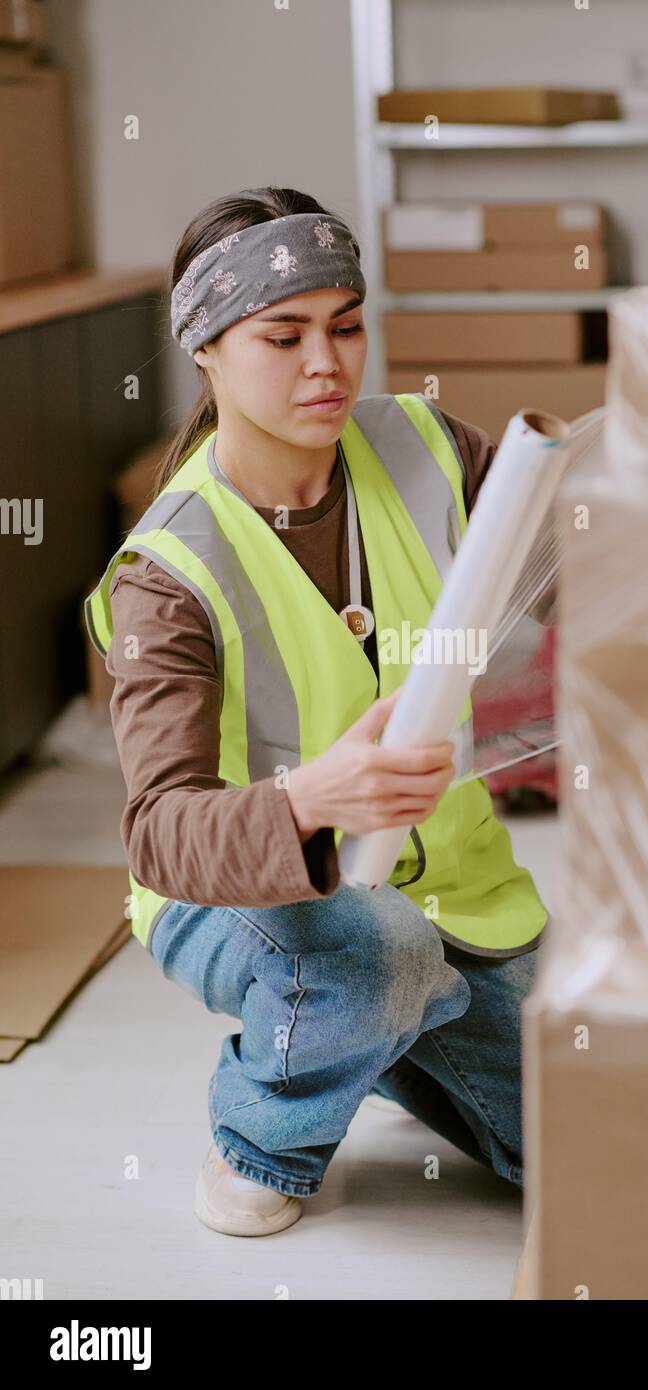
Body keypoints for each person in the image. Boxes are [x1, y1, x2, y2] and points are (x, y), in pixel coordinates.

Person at [84, 186, 552, 1238]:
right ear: (205, 346)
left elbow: (572, 570)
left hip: (456, 893)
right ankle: (263, 1133)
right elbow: (158, 834)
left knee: (590, 1147)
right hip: (246, 901)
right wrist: (308, 797)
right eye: (281, 334)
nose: (326, 364)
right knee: (372, 952)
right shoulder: (164, 572)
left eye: (346, 325)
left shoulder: (428, 448)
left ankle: (382, 1040)